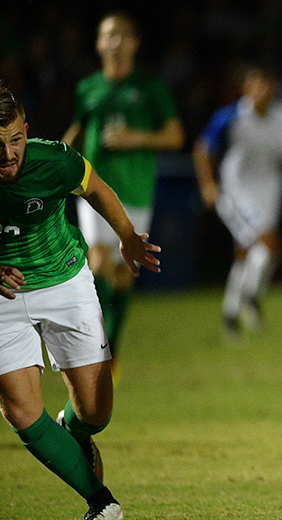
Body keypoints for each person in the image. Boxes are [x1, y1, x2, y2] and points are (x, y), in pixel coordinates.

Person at [0, 83, 161, 520]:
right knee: (18, 406)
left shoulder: (52, 159)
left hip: (64, 282)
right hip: (3, 298)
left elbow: (95, 186)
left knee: (96, 411)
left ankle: (71, 430)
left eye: (15, 140)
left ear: (26, 131)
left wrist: (127, 236)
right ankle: (101, 502)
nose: (8, 154)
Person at [61, 11, 184, 365]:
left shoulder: (150, 88)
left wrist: (135, 138)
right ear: (99, 44)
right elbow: (78, 130)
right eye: (108, 35)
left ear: (135, 43)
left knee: (123, 269)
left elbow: (175, 135)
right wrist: (55, 158)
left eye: (122, 34)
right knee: (97, 259)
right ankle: (98, 346)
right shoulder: (88, 88)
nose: (115, 41)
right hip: (95, 186)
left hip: (135, 189)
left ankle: (111, 343)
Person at [193, 66, 282, 336]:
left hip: (269, 192)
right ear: (246, 89)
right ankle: (247, 301)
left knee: (252, 253)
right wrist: (208, 185)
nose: (262, 91)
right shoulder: (231, 116)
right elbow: (202, 149)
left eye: (267, 85)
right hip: (236, 191)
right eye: (256, 85)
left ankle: (235, 310)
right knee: (267, 244)